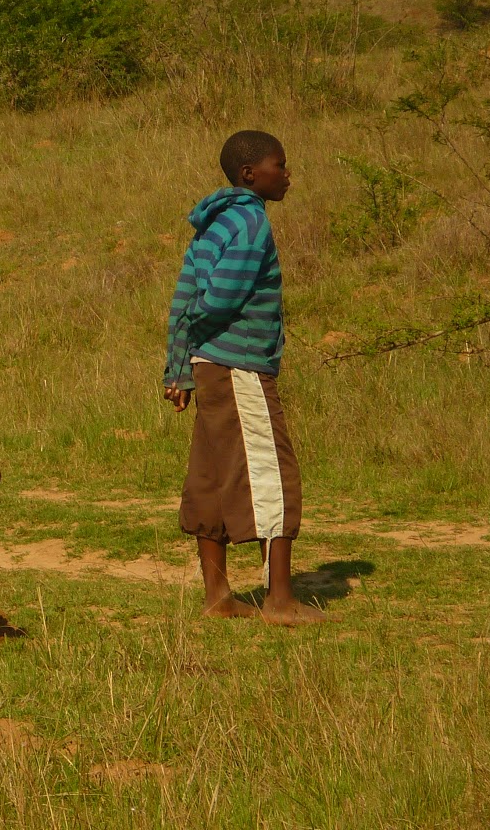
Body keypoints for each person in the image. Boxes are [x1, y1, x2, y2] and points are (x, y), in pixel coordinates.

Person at [162, 130, 328, 626]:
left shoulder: (211, 225)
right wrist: (205, 335)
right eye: (281, 165)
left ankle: (218, 597)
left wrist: (179, 369)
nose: (288, 174)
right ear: (250, 174)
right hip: (242, 370)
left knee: (212, 478)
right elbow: (216, 299)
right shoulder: (252, 221)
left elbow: (182, 300)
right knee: (272, 474)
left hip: (208, 369)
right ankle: (279, 599)